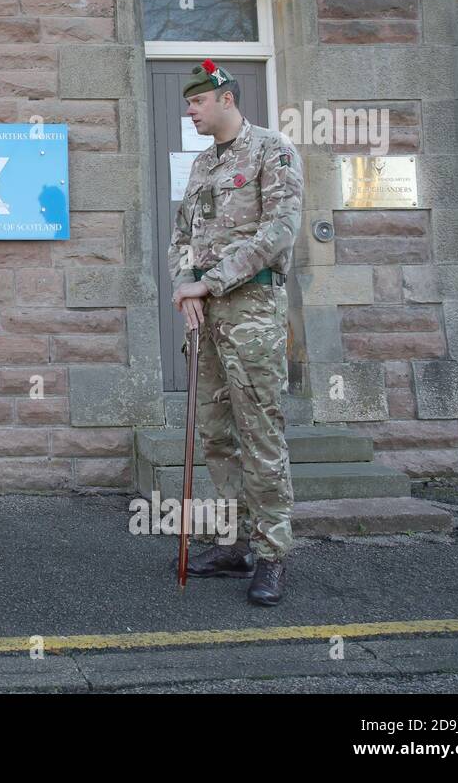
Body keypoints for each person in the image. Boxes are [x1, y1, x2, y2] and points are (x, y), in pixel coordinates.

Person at [166, 60, 303, 606]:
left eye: (197, 102)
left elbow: (280, 231)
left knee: (261, 434)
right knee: (216, 436)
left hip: (252, 312)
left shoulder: (274, 150)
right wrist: (184, 285)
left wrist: (212, 281)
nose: (190, 111)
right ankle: (232, 544)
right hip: (206, 318)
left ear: (224, 98)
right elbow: (183, 234)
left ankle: (271, 554)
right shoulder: (201, 166)